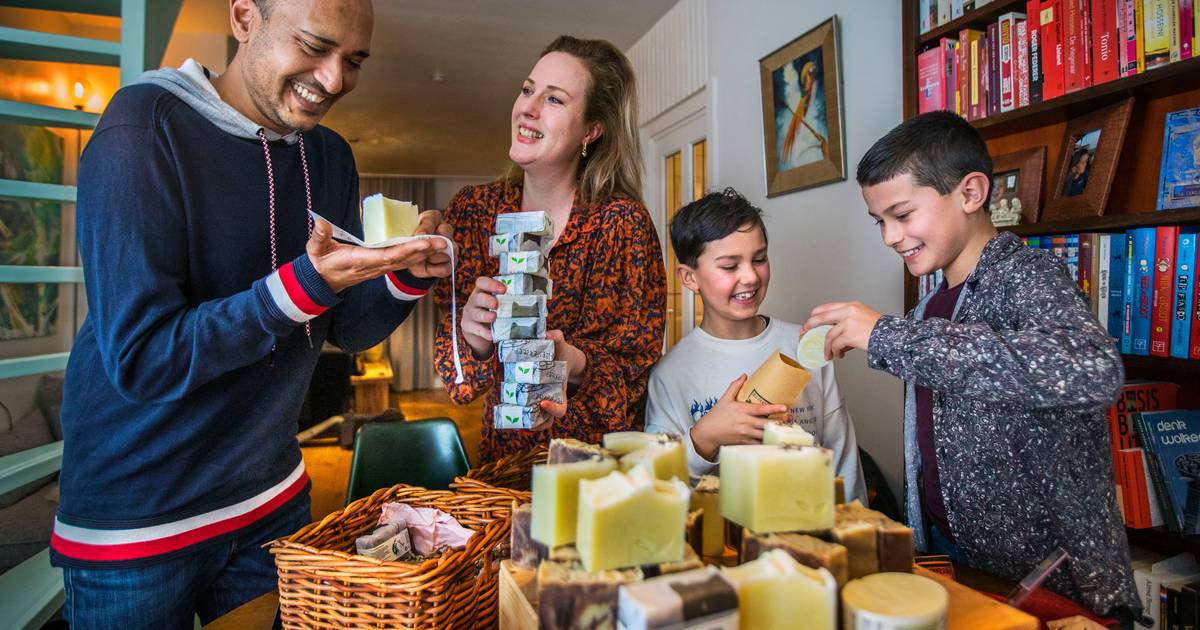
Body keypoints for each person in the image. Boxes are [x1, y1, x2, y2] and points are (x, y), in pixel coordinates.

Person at [51, 0, 453, 625]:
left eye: (354, 60)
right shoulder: (143, 127)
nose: (335, 79)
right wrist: (299, 286)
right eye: (315, 46)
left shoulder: (331, 158)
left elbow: (342, 328)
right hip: (137, 521)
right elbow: (141, 360)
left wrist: (403, 276)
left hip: (272, 502)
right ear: (244, 18)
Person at [802, 111, 1138, 617]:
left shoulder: (1025, 273)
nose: (889, 237)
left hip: (1052, 585)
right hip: (959, 564)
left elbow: (1092, 370)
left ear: (972, 193)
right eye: (880, 221)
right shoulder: (928, 306)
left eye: (902, 214)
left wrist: (887, 335)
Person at [434, 36, 666, 462]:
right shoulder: (474, 211)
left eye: (554, 99)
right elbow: (459, 382)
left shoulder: (622, 225)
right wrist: (474, 335)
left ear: (591, 130)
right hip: (506, 466)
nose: (528, 106)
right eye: (527, 90)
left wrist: (570, 361)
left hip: (595, 471)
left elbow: (637, 375)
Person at [644, 188, 866, 500]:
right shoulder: (670, 375)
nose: (750, 276)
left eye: (759, 259)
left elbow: (841, 456)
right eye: (730, 265)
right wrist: (704, 437)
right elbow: (658, 483)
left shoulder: (804, 347)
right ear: (689, 277)